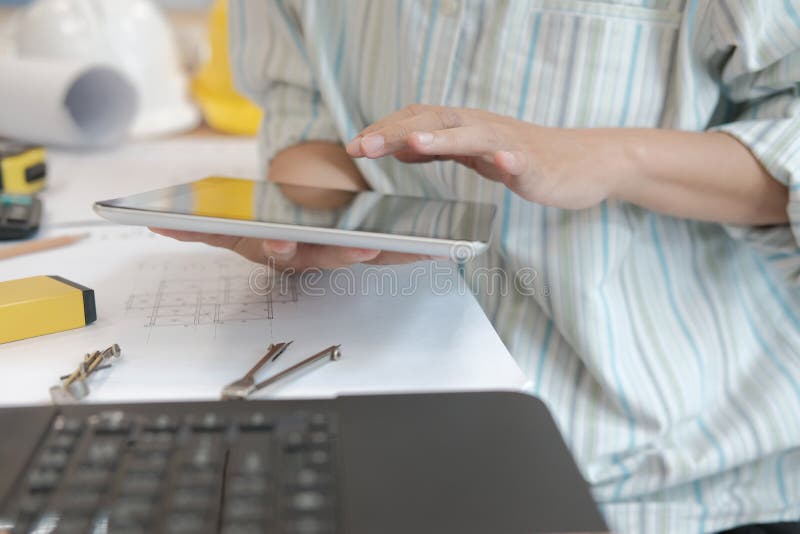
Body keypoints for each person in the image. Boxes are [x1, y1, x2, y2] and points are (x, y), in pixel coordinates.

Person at [154, 1, 800, 532]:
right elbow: (308, 136)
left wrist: (605, 158)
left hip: (678, 470)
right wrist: (313, 223)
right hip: (399, 435)